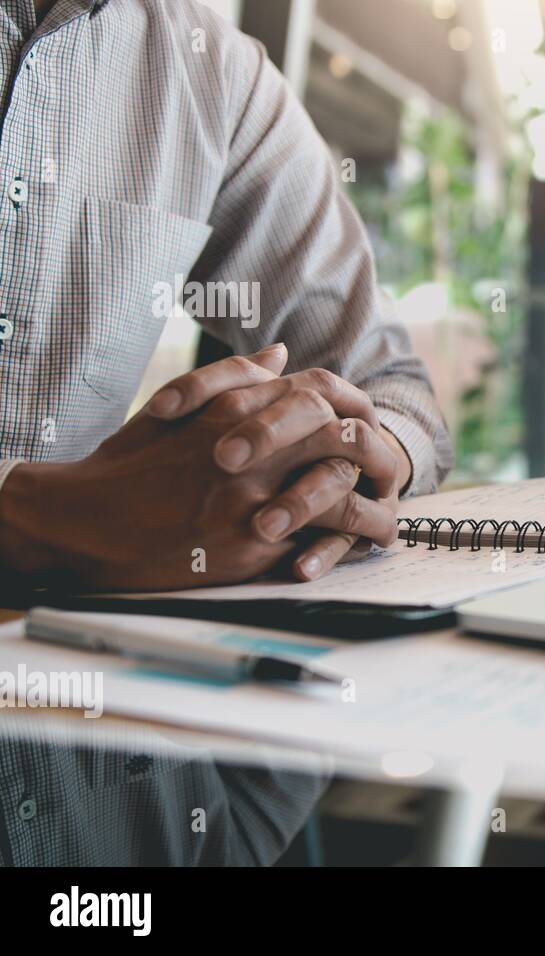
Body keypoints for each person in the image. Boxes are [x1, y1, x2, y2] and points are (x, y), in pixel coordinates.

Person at [0, 0, 452, 591]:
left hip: (73, 652)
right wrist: (38, 516)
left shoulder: (216, 76)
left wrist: (334, 470)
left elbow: (388, 381)